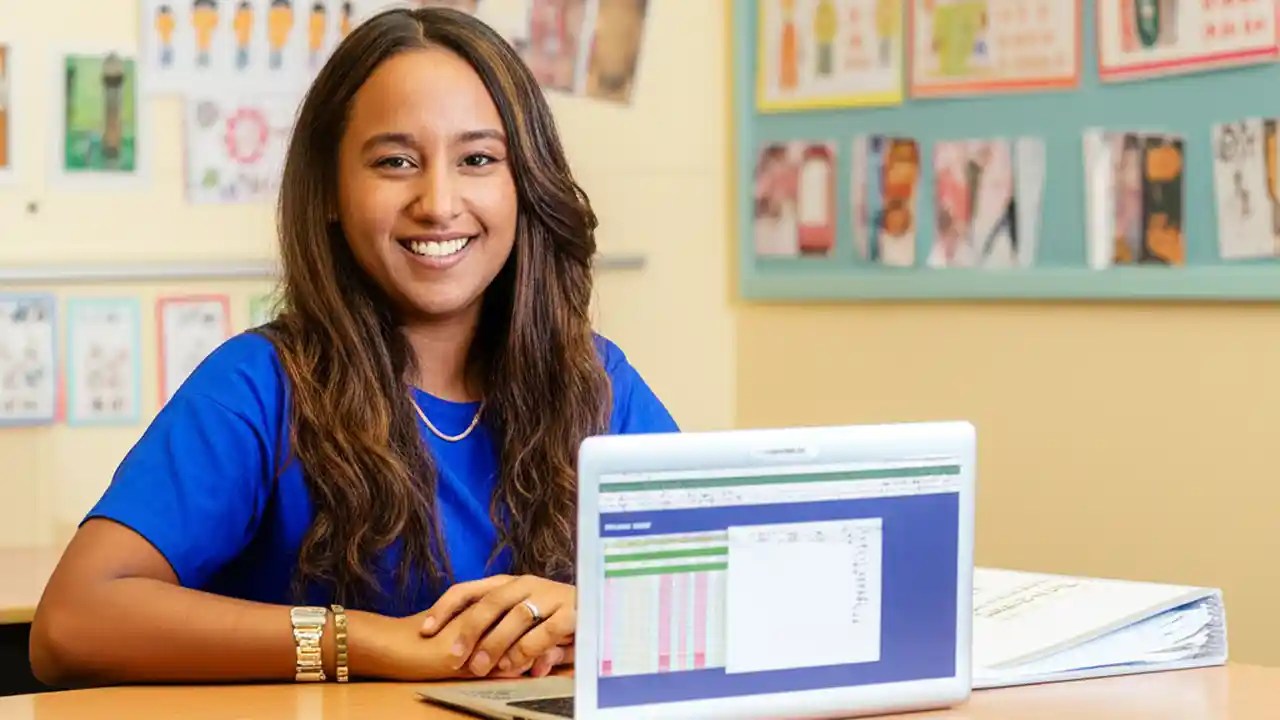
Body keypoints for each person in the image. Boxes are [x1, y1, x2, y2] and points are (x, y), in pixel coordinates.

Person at [30, 6, 677, 688]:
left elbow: (738, 596)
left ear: (525, 184)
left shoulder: (596, 381)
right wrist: (367, 642)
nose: (438, 201)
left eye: (478, 159)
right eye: (395, 161)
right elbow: (73, 622)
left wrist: (595, 612)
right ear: (333, 192)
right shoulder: (261, 386)